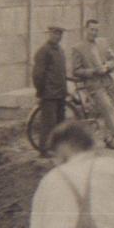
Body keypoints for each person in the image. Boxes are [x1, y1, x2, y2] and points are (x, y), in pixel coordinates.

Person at [72, 19, 114, 150]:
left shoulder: (103, 43)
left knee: (110, 110)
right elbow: (75, 70)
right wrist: (93, 71)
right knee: (107, 107)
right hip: (94, 84)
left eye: (96, 30)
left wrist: (107, 66)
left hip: (109, 81)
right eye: (91, 29)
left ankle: (108, 139)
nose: (94, 32)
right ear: (86, 29)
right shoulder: (78, 48)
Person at [32, 25, 69, 154]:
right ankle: (44, 149)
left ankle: (57, 148)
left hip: (60, 93)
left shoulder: (60, 50)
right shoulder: (43, 51)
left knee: (60, 123)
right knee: (48, 123)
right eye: (55, 34)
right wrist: (41, 91)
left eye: (60, 34)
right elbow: (38, 75)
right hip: (49, 94)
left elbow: (61, 72)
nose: (57, 36)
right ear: (49, 34)